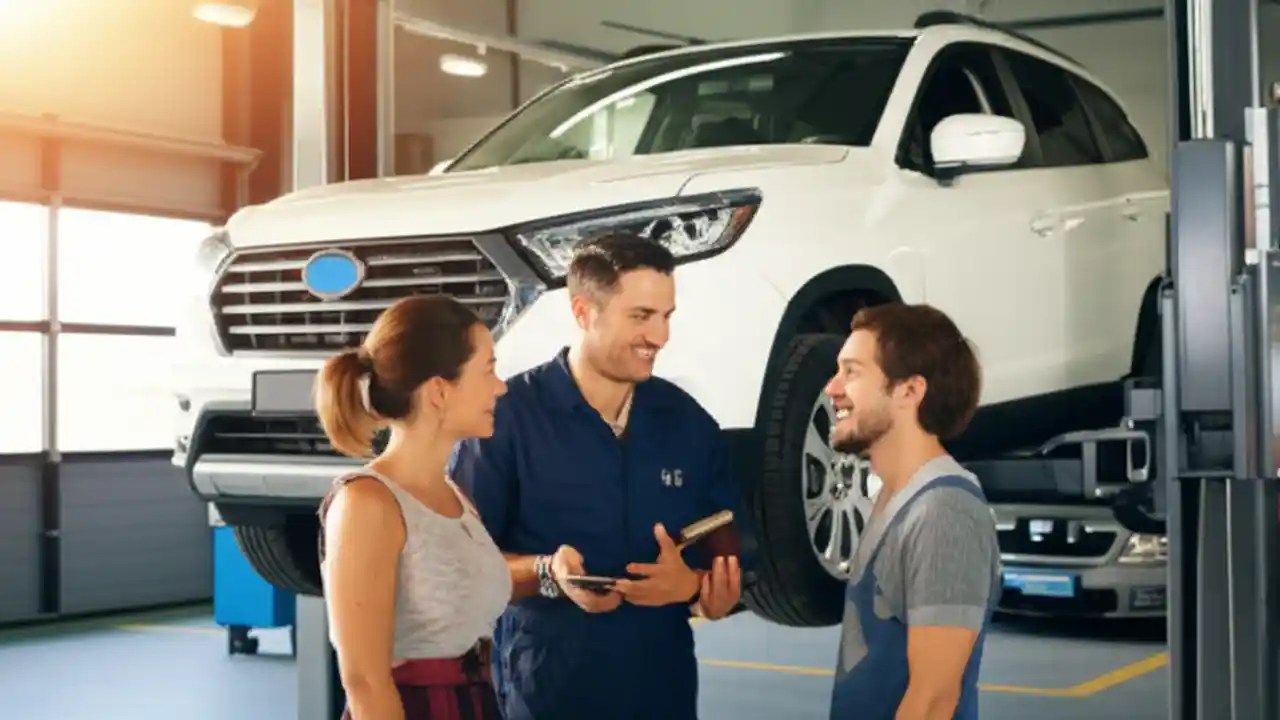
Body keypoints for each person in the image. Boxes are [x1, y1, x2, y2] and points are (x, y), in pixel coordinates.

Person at [448, 233, 744, 720]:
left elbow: (729, 556)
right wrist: (547, 573)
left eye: (667, 316)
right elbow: (461, 567)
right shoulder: (506, 420)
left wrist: (694, 588)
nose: (660, 337)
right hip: (545, 693)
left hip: (662, 693)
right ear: (583, 312)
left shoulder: (688, 423)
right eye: (641, 316)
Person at [313, 295, 514, 720]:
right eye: (489, 370)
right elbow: (365, 682)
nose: (501, 386)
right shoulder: (367, 503)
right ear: (440, 390)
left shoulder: (457, 498)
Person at [824, 303, 999, 720]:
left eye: (852, 372)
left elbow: (933, 701)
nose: (832, 388)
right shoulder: (895, 496)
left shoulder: (944, 513)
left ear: (909, 391)